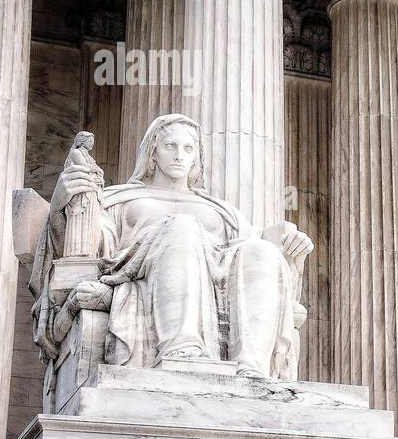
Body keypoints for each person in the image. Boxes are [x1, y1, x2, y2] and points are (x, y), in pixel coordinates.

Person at [32, 114, 313, 379]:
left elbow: (252, 254)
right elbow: (87, 247)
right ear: (153, 152)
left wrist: (291, 251)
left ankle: (251, 368)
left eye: (188, 148)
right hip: (143, 269)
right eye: (171, 145)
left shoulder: (223, 211)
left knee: (262, 251)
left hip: (218, 275)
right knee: (182, 227)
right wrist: (63, 204)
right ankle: (182, 349)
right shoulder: (119, 199)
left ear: (197, 157)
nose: (180, 155)